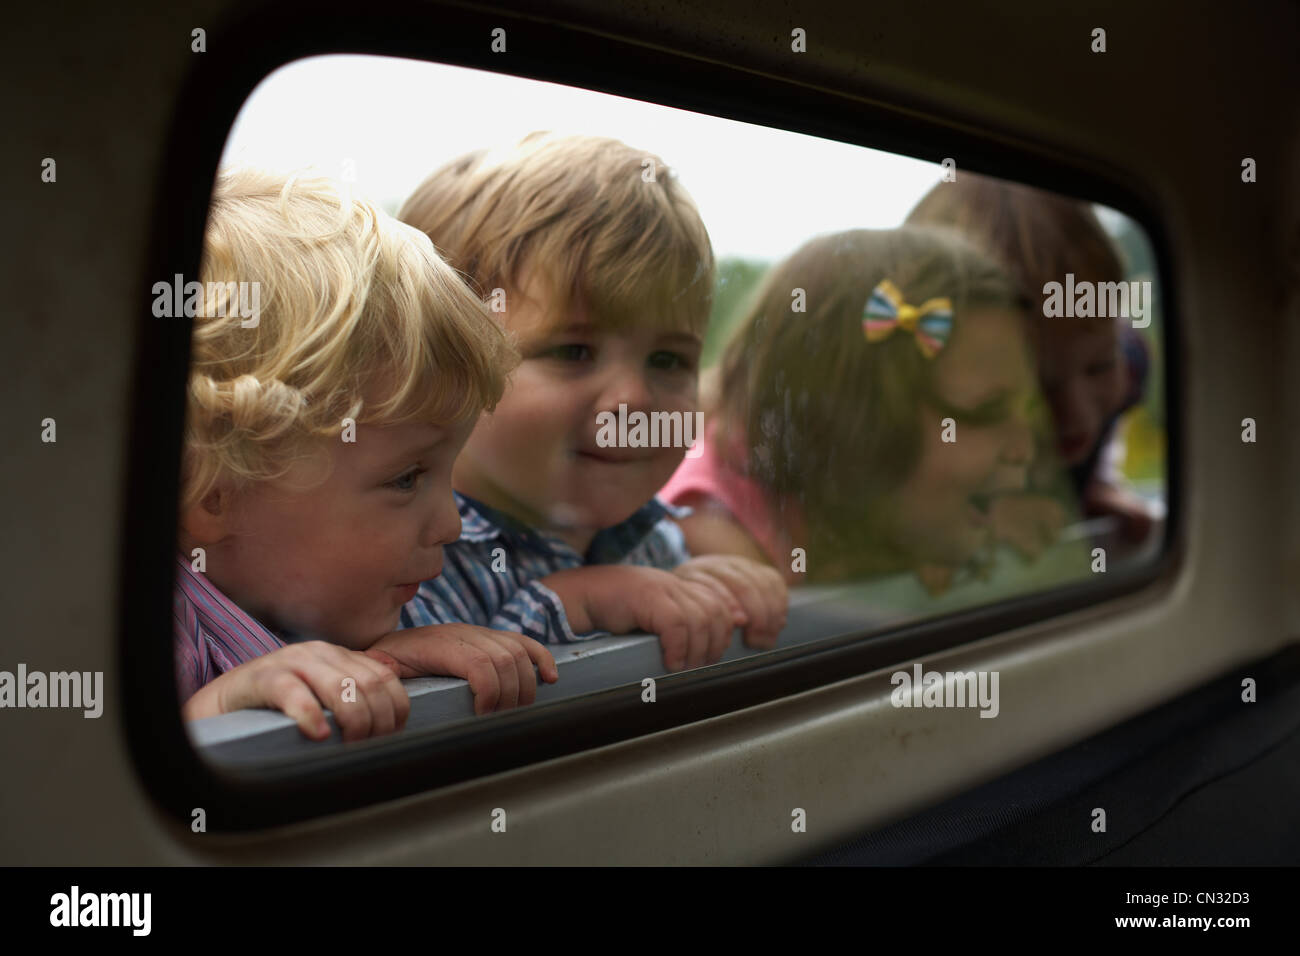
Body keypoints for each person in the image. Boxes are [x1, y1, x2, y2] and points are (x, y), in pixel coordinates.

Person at [176, 168, 557, 741]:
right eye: (406, 479)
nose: (453, 525)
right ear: (213, 491)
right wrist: (223, 707)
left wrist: (389, 662)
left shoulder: (371, 606)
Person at [397, 133, 788, 671]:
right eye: (574, 351)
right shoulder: (406, 556)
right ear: (440, 363)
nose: (633, 400)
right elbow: (424, 720)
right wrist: (573, 602)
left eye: (669, 361)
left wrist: (702, 596)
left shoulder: (654, 541)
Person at [660, 227, 1041, 593]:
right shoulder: (710, 533)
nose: (1024, 449)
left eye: (1028, 408)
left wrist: (974, 528)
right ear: (858, 425)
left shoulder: (846, 503)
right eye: (987, 410)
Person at [905, 173, 1155, 547]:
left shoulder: (1130, 360)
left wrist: (1096, 484)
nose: (1076, 416)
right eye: (1033, 383)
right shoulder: (910, 426)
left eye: (1100, 366)